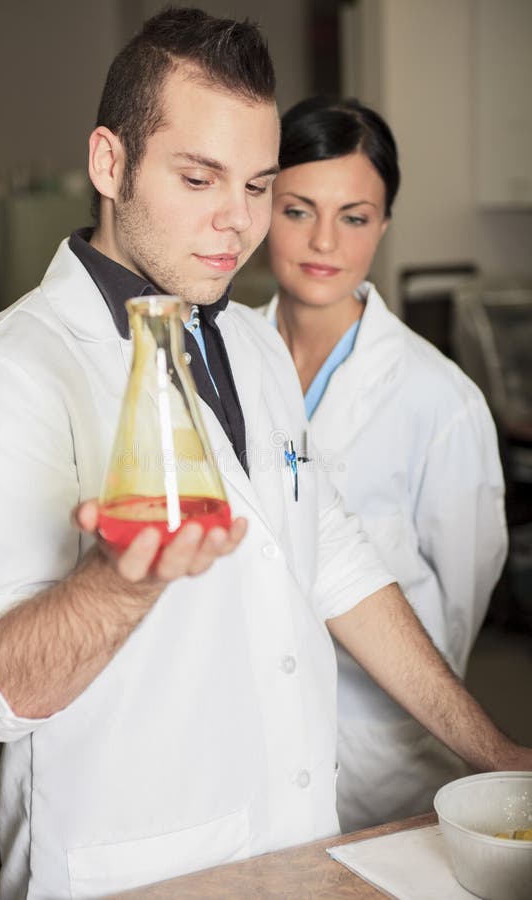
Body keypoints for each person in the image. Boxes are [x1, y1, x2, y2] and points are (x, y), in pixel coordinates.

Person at [0, 10, 528, 899]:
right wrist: (122, 578)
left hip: (297, 848)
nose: (237, 223)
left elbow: (338, 565)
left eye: (256, 186)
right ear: (109, 163)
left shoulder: (248, 343)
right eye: (198, 178)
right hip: (135, 871)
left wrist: (499, 755)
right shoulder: (12, 370)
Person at [262, 95, 509, 831]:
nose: (324, 241)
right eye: (297, 210)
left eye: (355, 217)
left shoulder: (439, 399)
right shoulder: (225, 358)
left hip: (386, 757)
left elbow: (461, 601)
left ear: (384, 226)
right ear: (259, 206)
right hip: (255, 741)